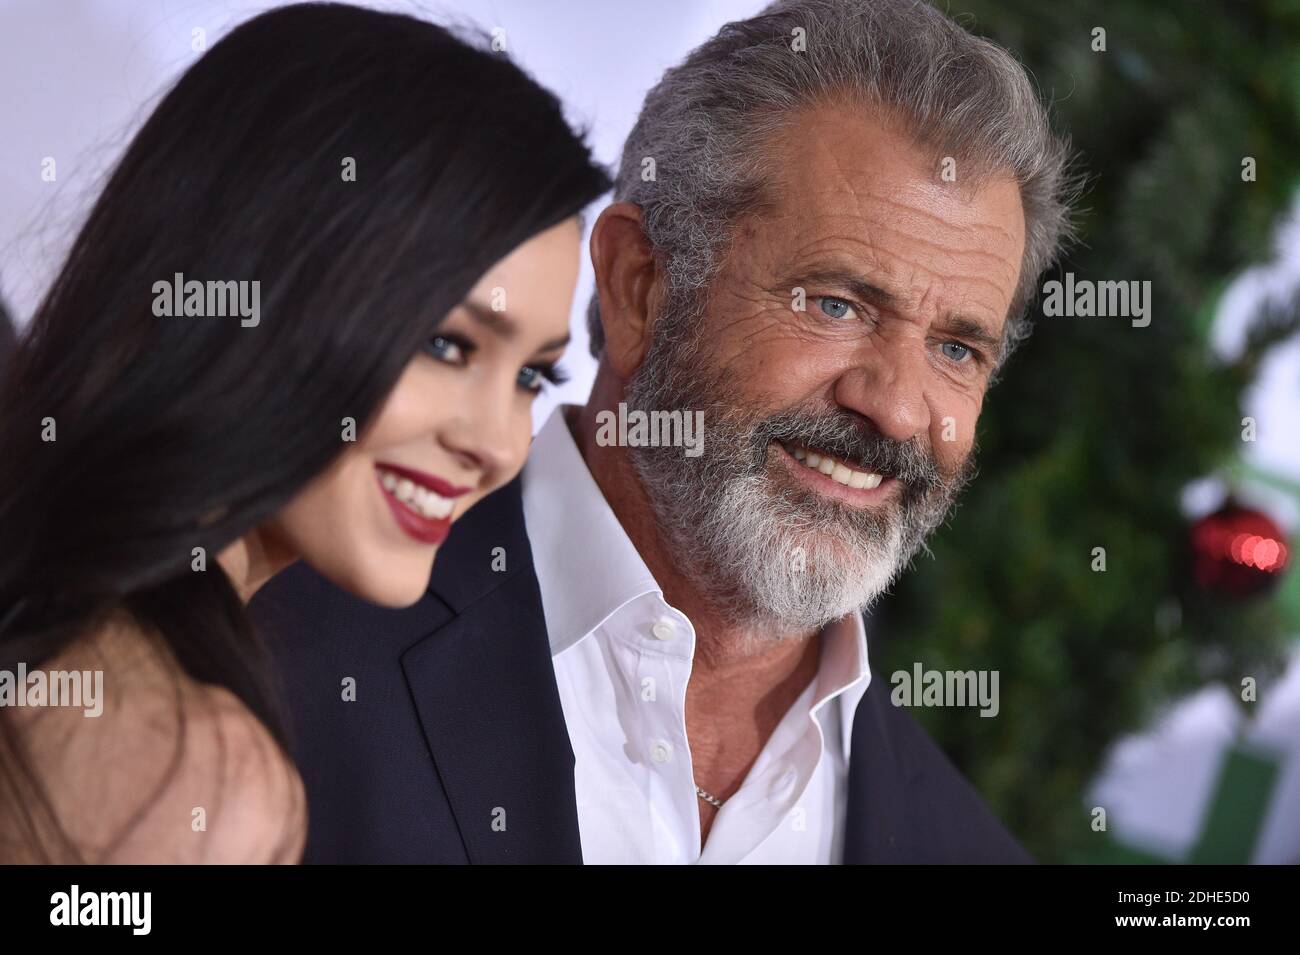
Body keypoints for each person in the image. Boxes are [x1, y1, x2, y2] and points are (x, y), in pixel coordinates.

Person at [254, 0, 1077, 863]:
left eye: (956, 347)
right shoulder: (260, 642)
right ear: (640, 285)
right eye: (837, 304)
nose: (900, 408)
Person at [0, 2, 609, 863]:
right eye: (445, 343)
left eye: (531, 376)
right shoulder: (191, 778)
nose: (498, 444)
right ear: (265, 286)